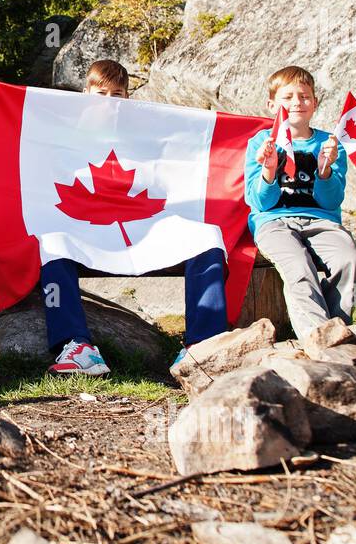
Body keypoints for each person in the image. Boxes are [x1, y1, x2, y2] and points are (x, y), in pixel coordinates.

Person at [39, 59, 231, 375]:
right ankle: (76, 347)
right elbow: (23, 128)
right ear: (85, 92)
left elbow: (182, 155)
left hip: (146, 223)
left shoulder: (147, 130)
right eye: (100, 93)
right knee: (52, 242)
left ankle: (202, 345)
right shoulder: (61, 132)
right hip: (85, 226)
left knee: (207, 236)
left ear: (127, 98)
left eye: (117, 94)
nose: (109, 101)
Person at [244, 65, 356, 337]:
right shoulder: (262, 142)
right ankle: (317, 338)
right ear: (271, 104)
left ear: (314, 103)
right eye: (287, 97)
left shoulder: (330, 143)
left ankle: (336, 331)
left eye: (304, 96)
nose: (296, 103)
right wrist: (268, 170)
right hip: (274, 222)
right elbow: (258, 202)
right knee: (299, 268)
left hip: (321, 221)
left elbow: (331, 200)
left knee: (352, 261)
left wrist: (325, 171)